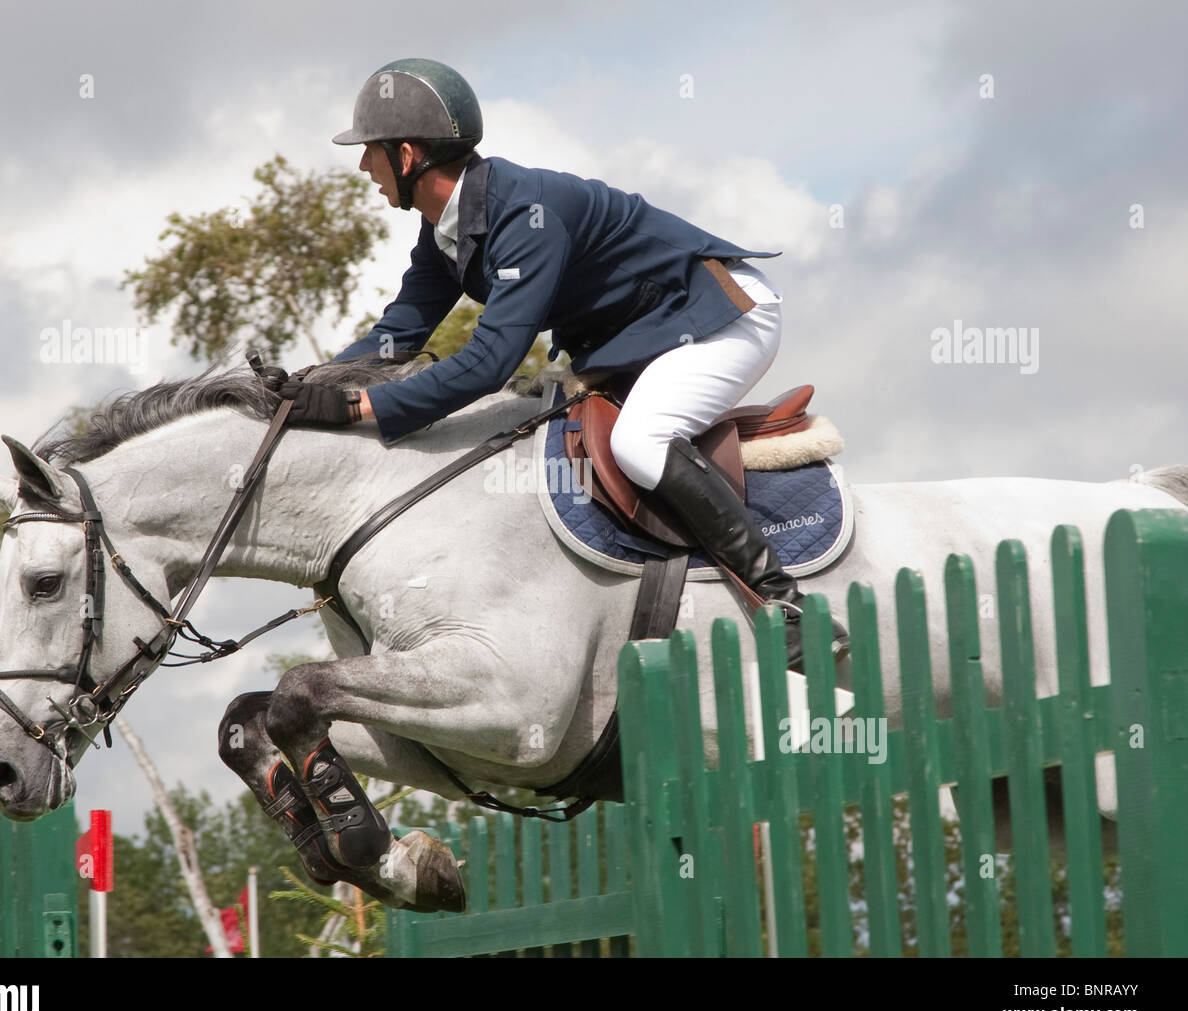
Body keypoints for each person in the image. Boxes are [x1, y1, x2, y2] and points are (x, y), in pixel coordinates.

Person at [282, 58, 847, 667]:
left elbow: (490, 362)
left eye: (370, 151)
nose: (364, 166)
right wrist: (303, 389)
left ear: (409, 154)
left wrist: (359, 405)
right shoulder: (444, 229)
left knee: (641, 441)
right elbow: (400, 333)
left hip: (720, 316)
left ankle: (784, 605)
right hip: (642, 337)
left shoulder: (526, 214)